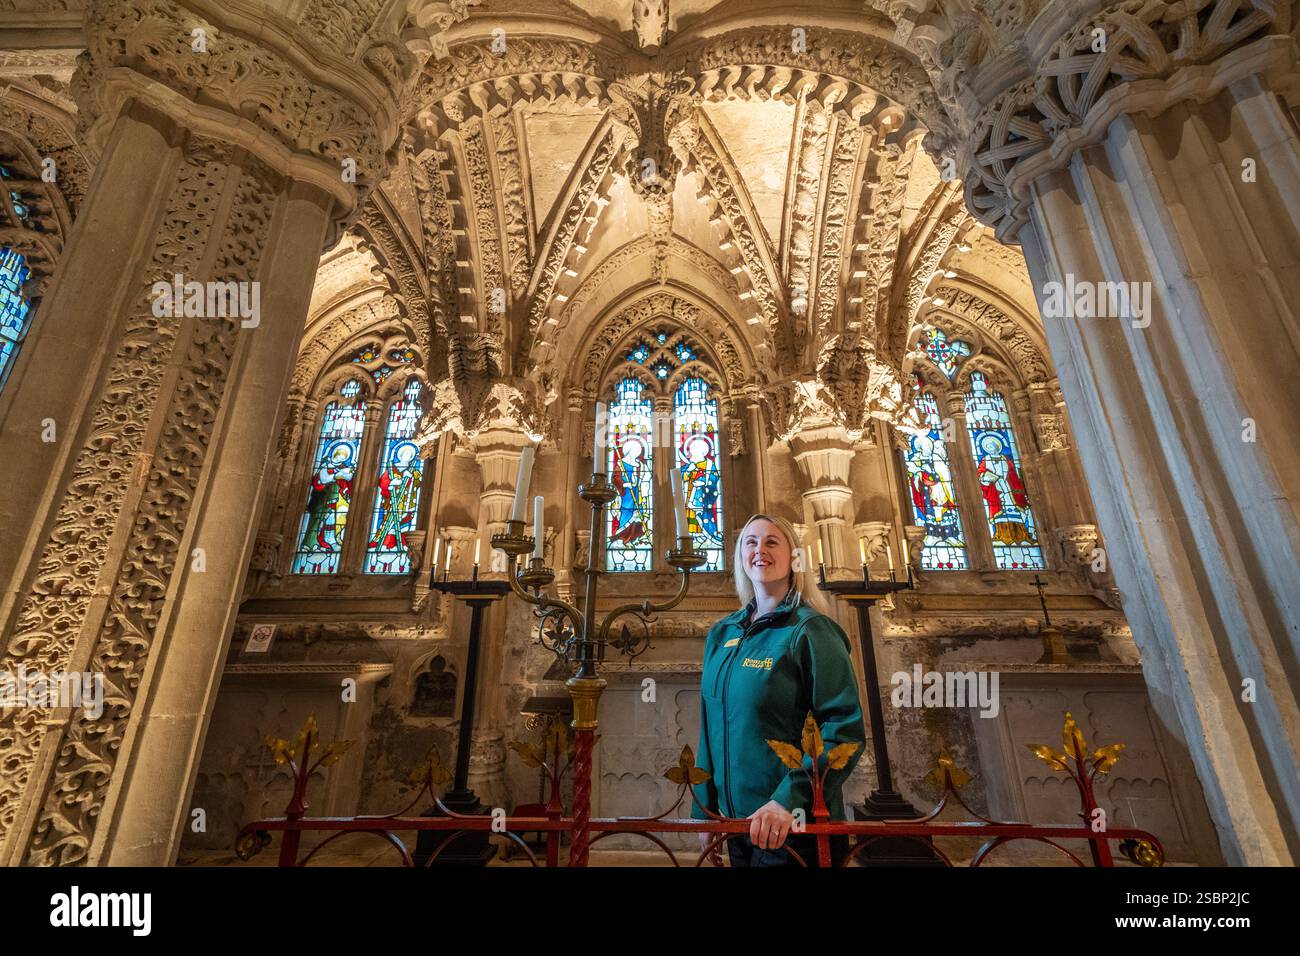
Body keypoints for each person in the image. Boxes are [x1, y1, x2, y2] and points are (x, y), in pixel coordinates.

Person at [691, 514, 866, 867]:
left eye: (772, 542)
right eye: (751, 542)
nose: (760, 550)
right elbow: (709, 728)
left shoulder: (812, 631)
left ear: (793, 557)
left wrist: (788, 801)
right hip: (737, 825)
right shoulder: (723, 634)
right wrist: (703, 808)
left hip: (794, 827)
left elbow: (843, 731)